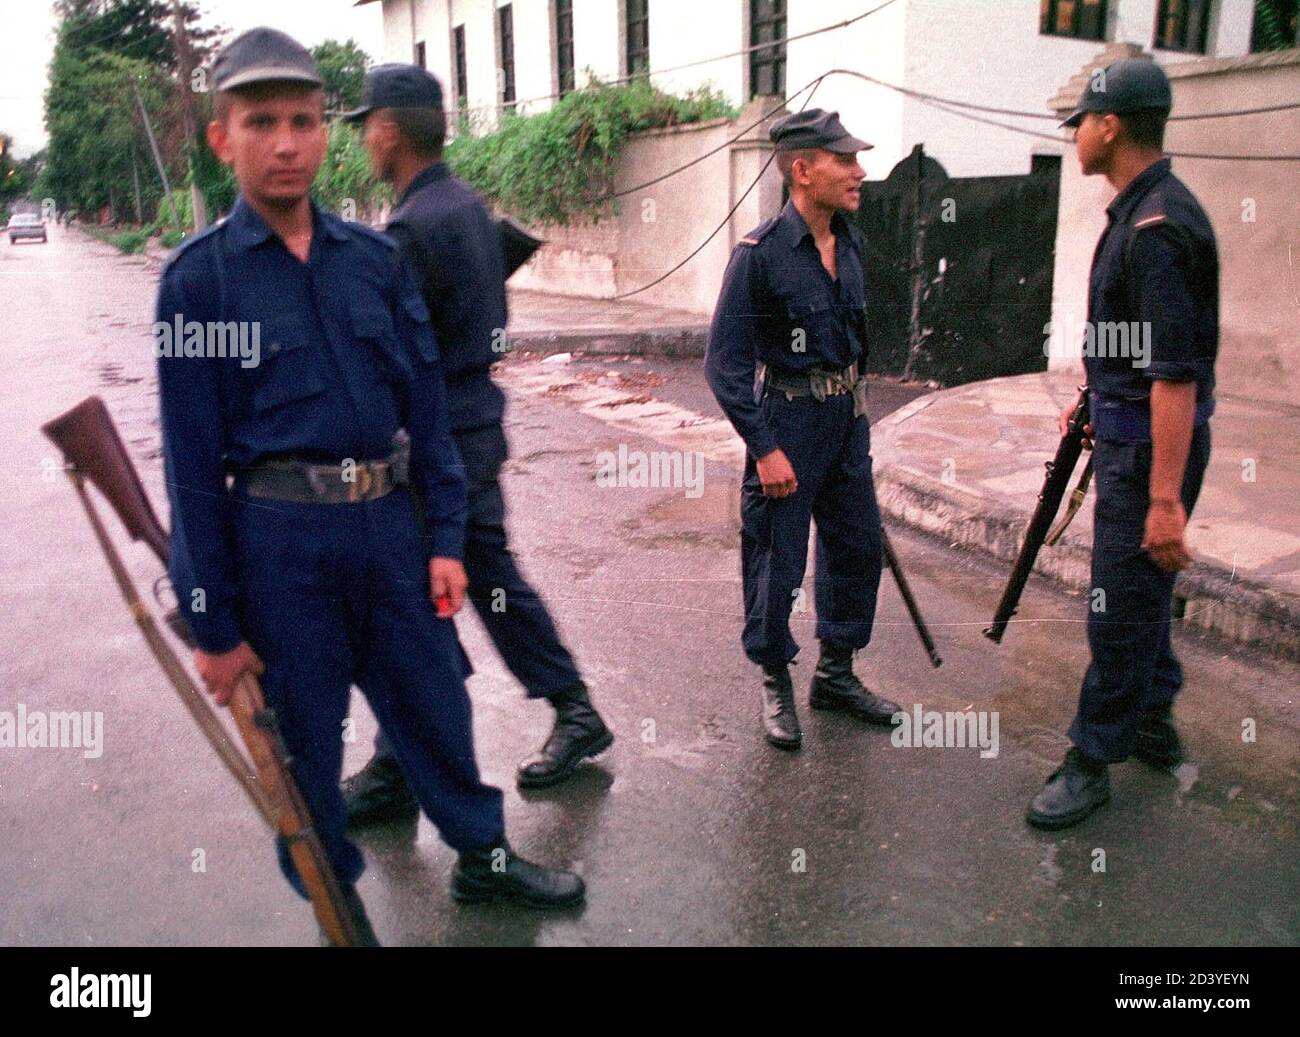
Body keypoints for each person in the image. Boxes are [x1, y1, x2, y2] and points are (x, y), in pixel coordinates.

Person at [157, 29, 586, 941]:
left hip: (391, 530)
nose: (286, 142)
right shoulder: (198, 285)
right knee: (305, 744)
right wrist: (215, 625)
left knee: (436, 701)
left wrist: (441, 541)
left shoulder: (376, 260)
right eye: (260, 121)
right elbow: (191, 469)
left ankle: (485, 857)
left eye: (304, 121)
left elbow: (427, 409)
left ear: (328, 133)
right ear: (221, 137)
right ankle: (333, 904)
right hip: (280, 546)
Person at [337, 65, 613, 828]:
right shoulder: (461, 206)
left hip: (442, 441)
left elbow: (391, 356)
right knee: (457, 586)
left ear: (389, 131)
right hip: (470, 425)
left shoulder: (415, 227)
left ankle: (409, 769)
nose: (363, 139)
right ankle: (413, 761)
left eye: (366, 126)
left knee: (432, 591)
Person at [1027, 58, 1219, 830]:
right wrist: (1098, 393)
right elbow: (1138, 350)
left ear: (1112, 126)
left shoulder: (1158, 227)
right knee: (1143, 594)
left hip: (1150, 454)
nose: (1074, 135)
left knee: (1118, 605)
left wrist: (1165, 499)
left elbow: (1174, 375)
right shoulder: (1138, 208)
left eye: (1082, 121)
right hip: (1129, 436)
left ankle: (1092, 759)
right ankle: (1150, 717)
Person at [705, 109, 901, 751]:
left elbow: (856, 340)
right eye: (845, 161)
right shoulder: (758, 257)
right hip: (786, 424)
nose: (859, 172)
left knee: (857, 546)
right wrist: (764, 449)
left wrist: (857, 413)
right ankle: (774, 683)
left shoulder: (852, 243)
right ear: (803, 169)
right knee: (775, 560)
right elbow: (725, 366)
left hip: (846, 421)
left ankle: (836, 675)